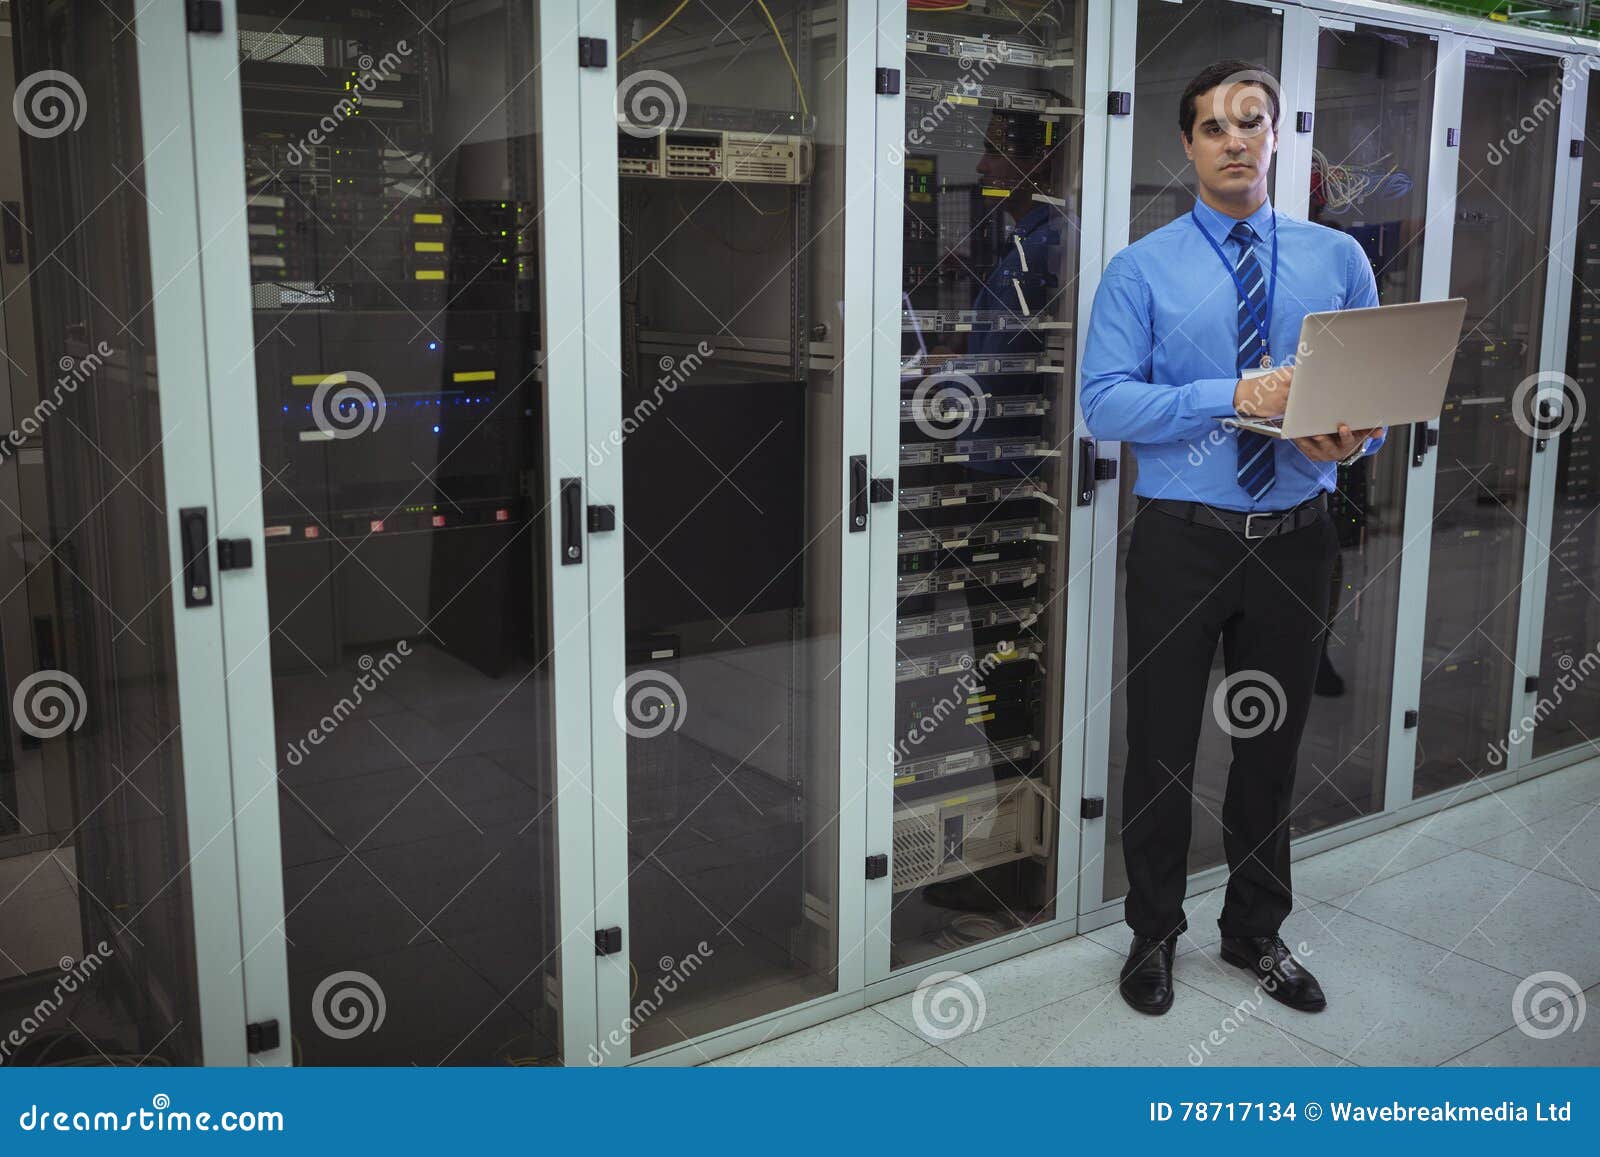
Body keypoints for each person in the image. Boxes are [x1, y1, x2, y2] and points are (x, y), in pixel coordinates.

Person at [1079, 59, 1384, 1016]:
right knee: (1162, 744)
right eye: (1214, 127)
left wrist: (1355, 437)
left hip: (1297, 538)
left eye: (1251, 121)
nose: (1235, 140)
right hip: (1183, 541)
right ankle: (1152, 932)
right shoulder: (1141, 268)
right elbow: (1103, 404)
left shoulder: (1338, 259)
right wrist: (1233, 394)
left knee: (1271, 747)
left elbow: (1371, 395)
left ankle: (1254, 929)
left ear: (1276, 136)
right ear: (1188, 145)